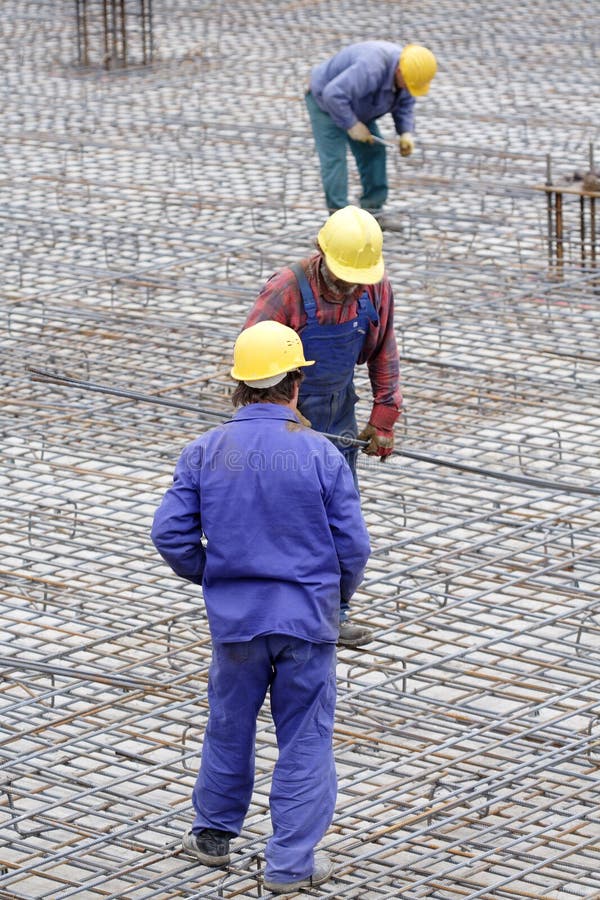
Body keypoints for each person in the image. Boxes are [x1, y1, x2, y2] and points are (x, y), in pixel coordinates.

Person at [151, 321, 371, 895]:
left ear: (239, 387)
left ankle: (212, 837)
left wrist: (215, 575)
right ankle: (289, 865)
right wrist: (337, 600)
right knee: (305, 736)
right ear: (295, 384)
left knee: (229, 723)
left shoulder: (204, 451)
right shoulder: (320, 453)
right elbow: (353, 546)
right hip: (307, 620)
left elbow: (169, 534)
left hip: (238, 621)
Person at [243, 205, 401, 647]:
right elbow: (252, 363)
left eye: (357, 278)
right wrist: (280, 412)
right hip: (281, 414)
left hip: (338, 413)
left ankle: (332, 614)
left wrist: (384, 416)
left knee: (337, 520)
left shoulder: (374, 286)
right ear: (321, 252)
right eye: (343, 275)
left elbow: (384, 350)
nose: (350, 285)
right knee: (280, 515)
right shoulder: (286, 290)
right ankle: (269, 611)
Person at [305, 41, 437, 214]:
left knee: (374, 151)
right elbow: (333, 94)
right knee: (335, 160)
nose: (408, 88)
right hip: (325, 101)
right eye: (407, 84)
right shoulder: (371, 68)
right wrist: (352, 125)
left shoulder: (409, 72)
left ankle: (373, 211)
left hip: (359, 103)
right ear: (399, 71)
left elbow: (405, 103)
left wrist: (405, 132)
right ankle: (339, 217)